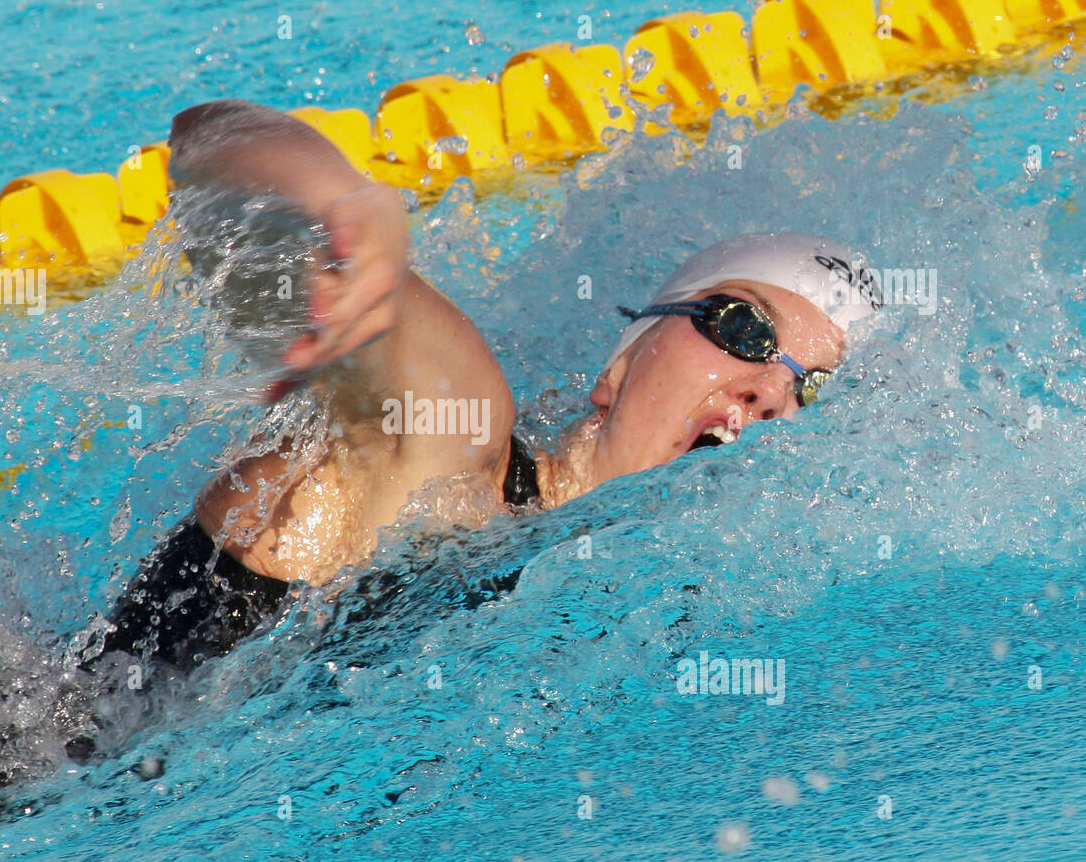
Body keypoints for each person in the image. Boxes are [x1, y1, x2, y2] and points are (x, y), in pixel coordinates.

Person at [98, 99, 883, 671]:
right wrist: (344, 208)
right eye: (745, 330)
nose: (769, 393)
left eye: (805, 391)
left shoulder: (620, 617)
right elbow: (205, 142)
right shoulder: (456, 455)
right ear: (616, 369)